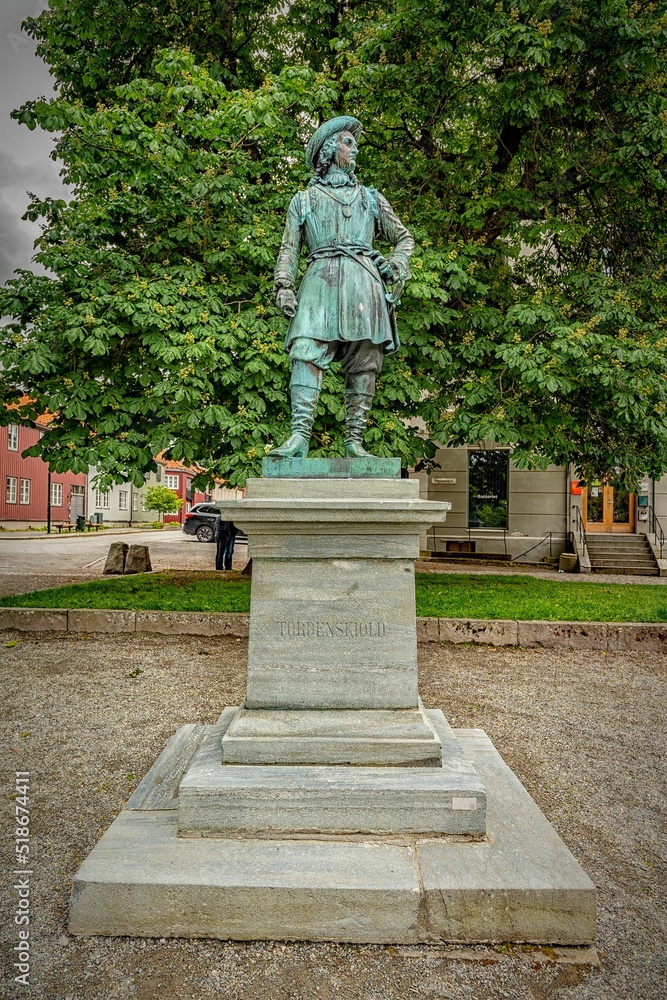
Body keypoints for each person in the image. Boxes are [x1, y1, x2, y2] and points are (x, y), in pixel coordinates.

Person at [269, 115, 414, 459]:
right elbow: (289, 249)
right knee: (305, 353)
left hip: (364, 284)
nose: (355, 150)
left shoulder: (370, 197)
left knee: (365, 361)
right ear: (330, 148)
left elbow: (404, 237)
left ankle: (355, 441)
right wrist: (284, 286)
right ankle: (299, 437)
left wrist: (394, 264)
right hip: (319, 282)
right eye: (349, 143)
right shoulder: (303, 200)